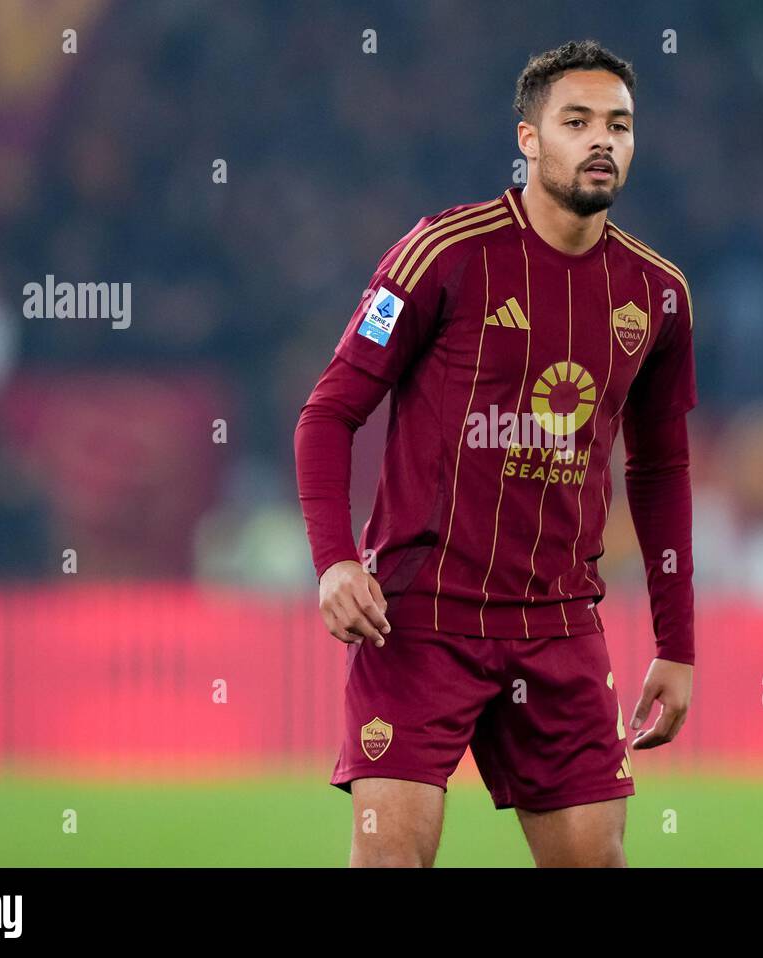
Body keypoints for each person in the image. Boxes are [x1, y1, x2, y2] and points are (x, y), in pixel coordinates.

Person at [295, 39, 697, 867]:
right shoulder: (445, 253)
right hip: (419, 621)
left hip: (558, 624)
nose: (601, 141)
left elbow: (659, 472)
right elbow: (328, 414)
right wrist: (336, 562)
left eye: (619, 125)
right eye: (576, 121)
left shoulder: (657, 295)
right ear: (528, 139)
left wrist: (677, 643)